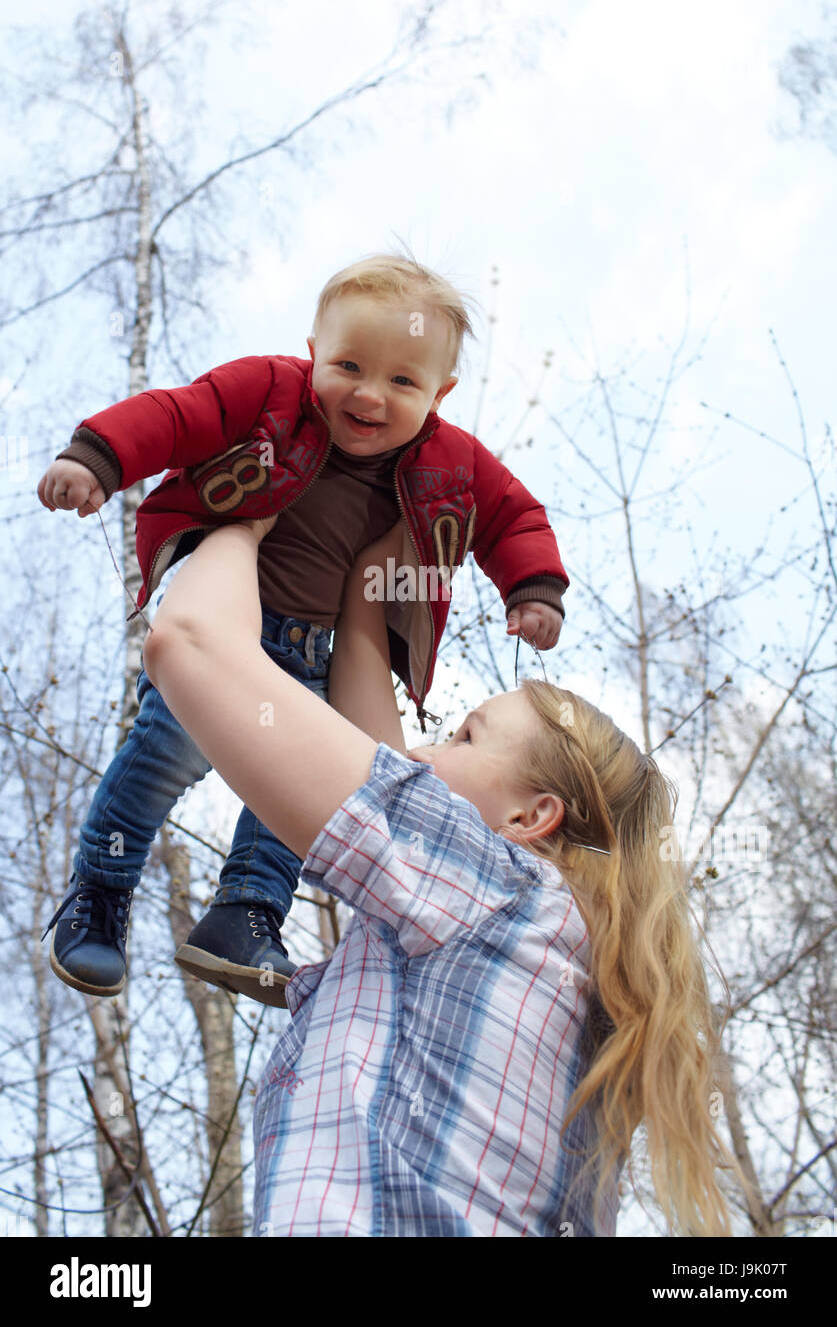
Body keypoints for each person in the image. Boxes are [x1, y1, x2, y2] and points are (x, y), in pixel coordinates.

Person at [141, 515, 735, 1237]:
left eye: (462, 736)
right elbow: (368, 744)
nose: (420, 751)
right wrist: (368, 577)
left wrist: (238, 514)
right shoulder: (551, 949)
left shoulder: (494, 892)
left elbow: (190, 642)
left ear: (530, 817)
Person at [37, 254, 569, 1005]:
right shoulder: (270, 391)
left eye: (403, 381)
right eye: (349, 365)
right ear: (314, 352)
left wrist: (532, 586)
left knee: (292, 789)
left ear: (440, 394)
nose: (369, 395)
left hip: (314, 657)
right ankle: (99, 889)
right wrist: (98, 457)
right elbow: (178, 414)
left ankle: (247, 913)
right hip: (230, 623)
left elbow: (513, 513)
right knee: (160, 758)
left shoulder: (451, 461)